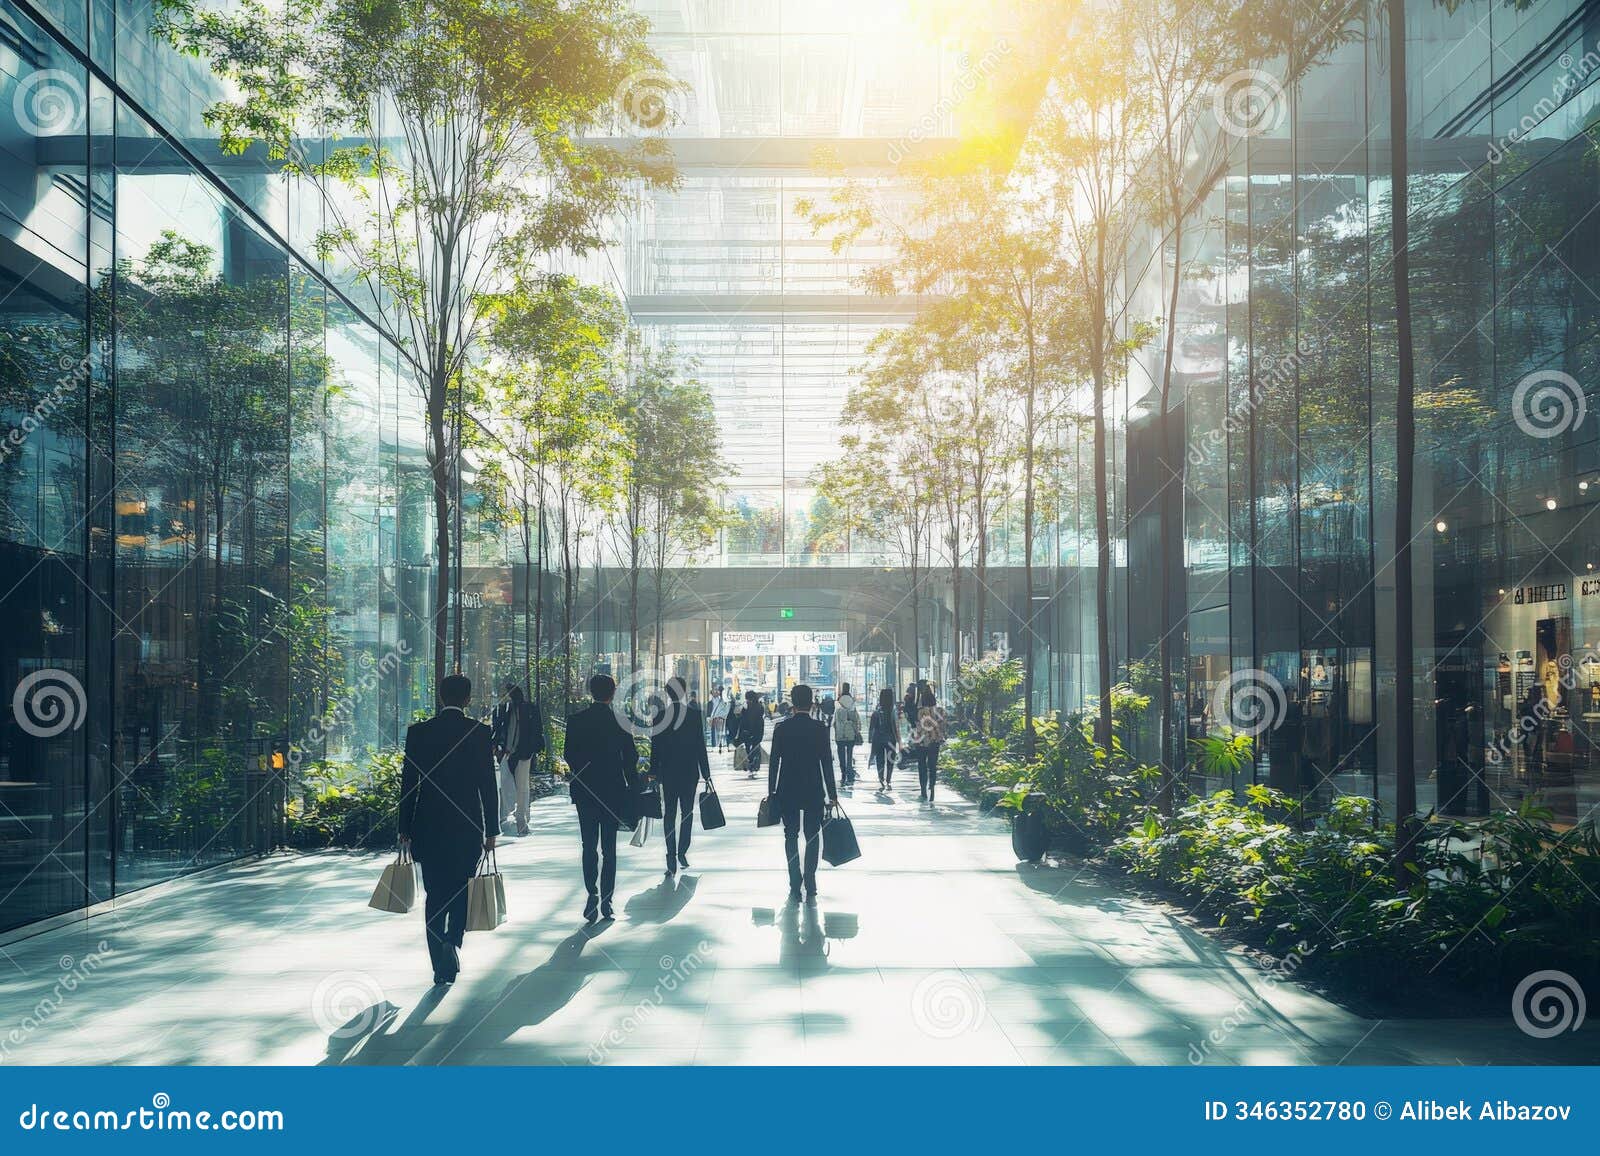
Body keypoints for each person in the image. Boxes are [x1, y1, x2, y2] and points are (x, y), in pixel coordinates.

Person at [398, 674, 497, 986]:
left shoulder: (419, 733)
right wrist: (491, 829)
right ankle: (452, 942)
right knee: (461, 889)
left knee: (434, 893)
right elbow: (487, 786)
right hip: (467, 826)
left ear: (441, 698)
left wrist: (404, 828)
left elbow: (408, 784)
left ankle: (438, 959)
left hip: (427, 825)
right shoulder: (479, 733)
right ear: (467, 700)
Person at [563, 674, 640, 922]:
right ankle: (607, 900)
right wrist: (634, 787)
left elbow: (569, 755)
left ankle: (591, 893)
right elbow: (630, 758)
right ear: (613, 692)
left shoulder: (576, 721)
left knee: (588, 846)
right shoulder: (620, 721)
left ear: (591, 692)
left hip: (585, 791)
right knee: (609, 848)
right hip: (612, 791)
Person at [765, 683, 838, 903]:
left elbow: (774, 763)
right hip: (813, 789)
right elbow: (826, 764)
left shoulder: (782, 729)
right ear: (811, 702)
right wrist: (832, 794)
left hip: (787, 789)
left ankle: (794, 880)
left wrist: (771, 790)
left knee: (791, 835)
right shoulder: (819, 729)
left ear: (793, 704)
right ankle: (810, 879)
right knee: (812, 835)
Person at [650, 676, 712, 876]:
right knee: (687, 812)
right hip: (689, 772)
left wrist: (653, 772)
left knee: (669, 812)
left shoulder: (660, 716)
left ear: (668, 693)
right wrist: (706, 774)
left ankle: (671, 855)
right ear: (684, 692)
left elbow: (655, 748)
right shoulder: (694, 715)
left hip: (668, 772)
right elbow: (700, 746)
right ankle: (682, 851)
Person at [491, 682, 544, 836]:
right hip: (507, 753)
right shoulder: (503, 709)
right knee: (508, 785)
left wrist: (532, 749)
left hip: (523, 753)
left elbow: (536, 730)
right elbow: (497, 729)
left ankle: (521, 819)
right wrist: (498, 747)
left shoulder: (528, 709)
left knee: (521, 787)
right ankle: (510, 815)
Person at [910, 684, 947, 801]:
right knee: (932, 766)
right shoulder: (940, 711)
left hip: (921, 742)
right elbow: (943, 727)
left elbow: (917, 727)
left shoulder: (920, 712)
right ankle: (932, 789)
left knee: (922, 766)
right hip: (934, 741)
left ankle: (923, 790)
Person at [868, 687, 899, 791]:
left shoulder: (877, 711)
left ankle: (881, 778)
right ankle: (889, 779)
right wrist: (899, 740)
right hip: (891, 739)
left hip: (878, 739)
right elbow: (896, 726)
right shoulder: (893, 710)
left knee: (880, 759)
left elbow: (872, 726)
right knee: (890, 760)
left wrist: (870, 739)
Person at [832, 682, 862, 787]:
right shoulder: (852, 702)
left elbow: (834, 720)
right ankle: (849, 774)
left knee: (841, 755)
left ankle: (843, 774)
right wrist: (857, 730)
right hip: (850, 734)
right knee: (849, 755)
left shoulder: (837, 702)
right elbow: (855, 719)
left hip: (840, 734)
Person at [734, 689, 765, 778]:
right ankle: (754, 765)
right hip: (757, 731)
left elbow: (742, 719)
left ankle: (751, 765)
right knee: (755, 747)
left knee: (749, 748)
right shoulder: (759, 706)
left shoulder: (748, 707)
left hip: (748, 731)